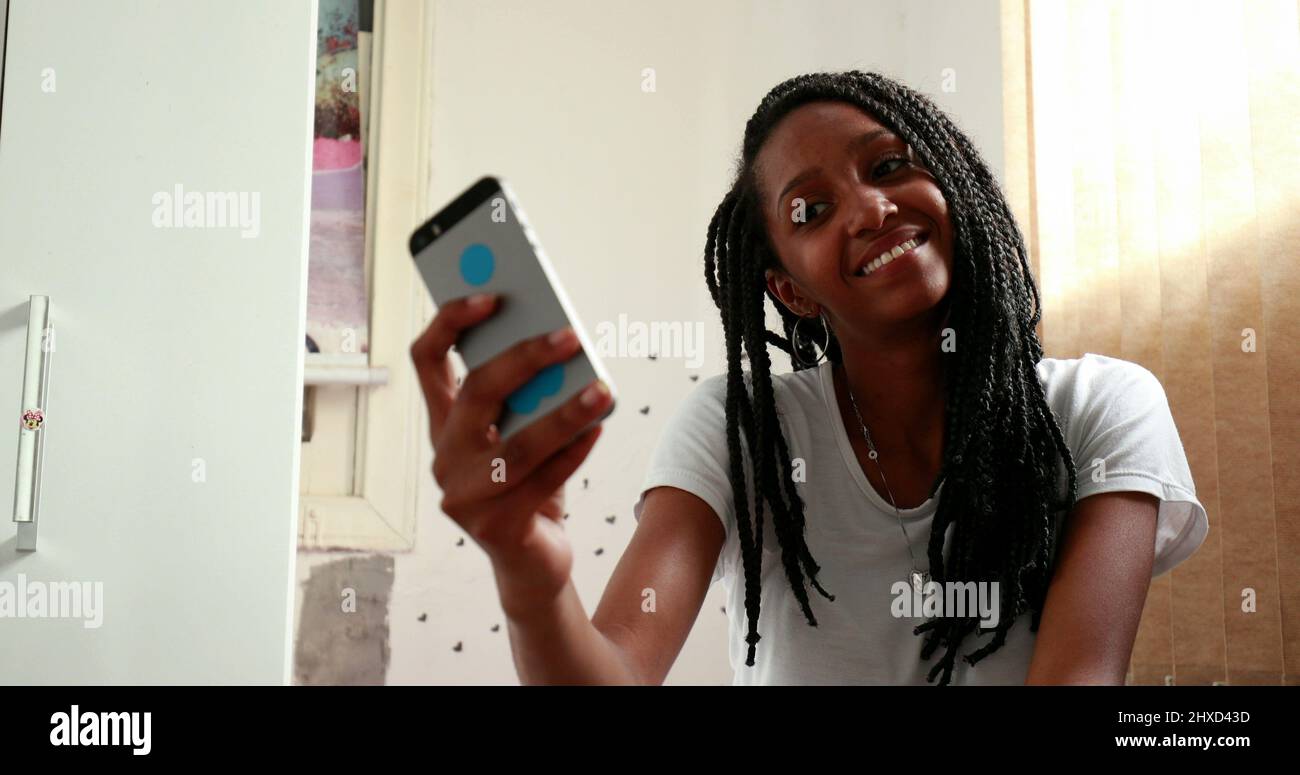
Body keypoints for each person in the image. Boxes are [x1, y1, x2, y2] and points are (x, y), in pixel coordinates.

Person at [409, 70, 1208, 686]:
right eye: (809, 211)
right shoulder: (742, 423)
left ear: (954, 187)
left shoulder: (1103, 407)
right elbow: (618, 666)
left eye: (890, 165)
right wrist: (526, 569)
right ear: (789, 288)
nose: (869, 210)